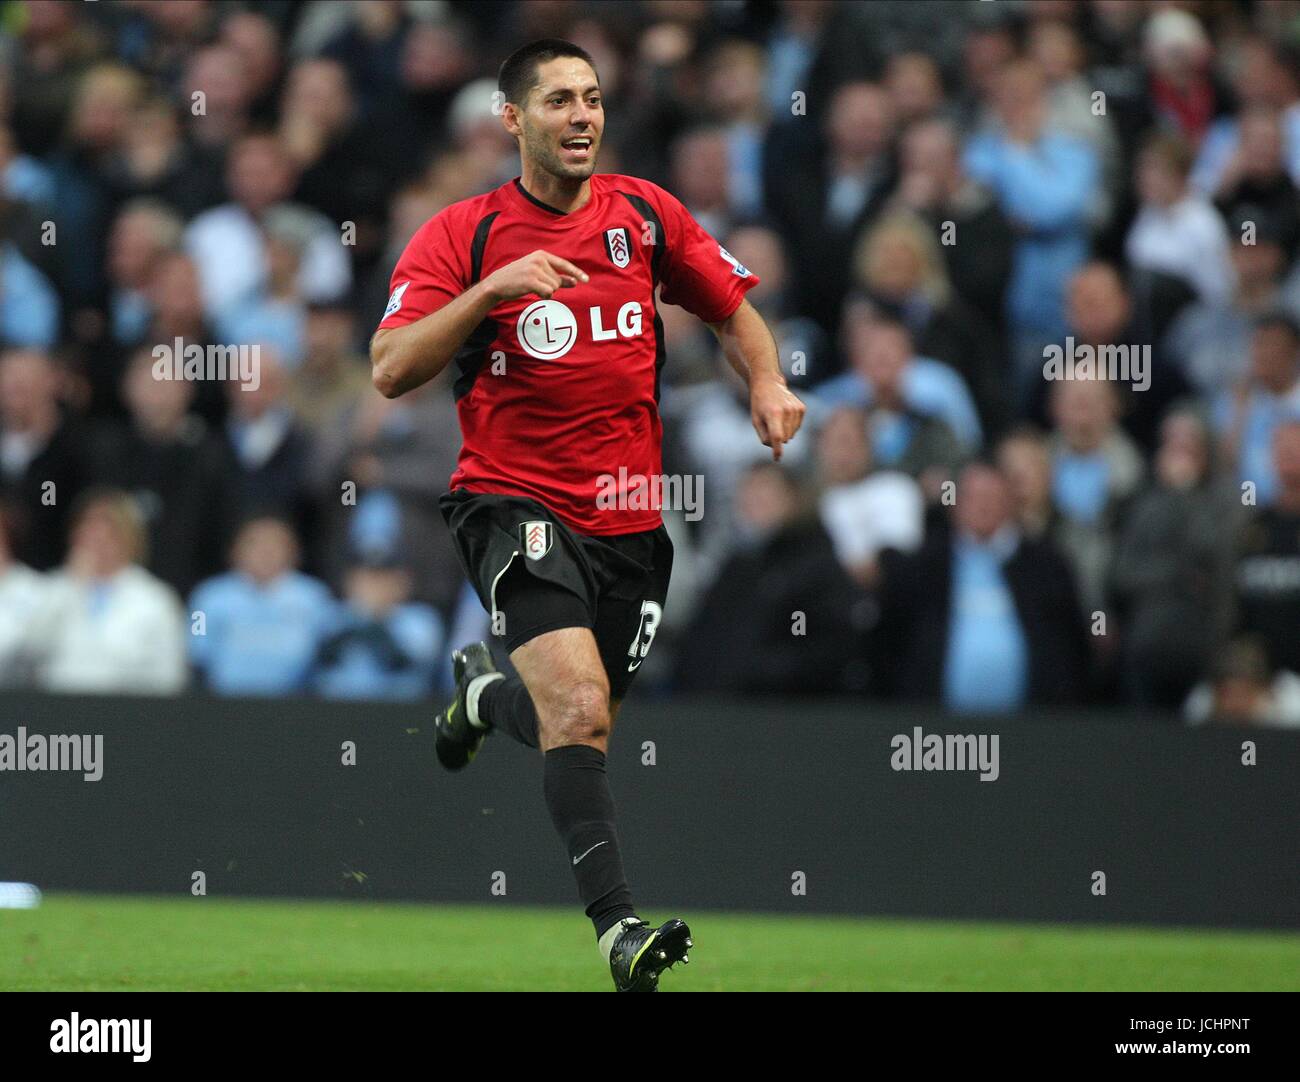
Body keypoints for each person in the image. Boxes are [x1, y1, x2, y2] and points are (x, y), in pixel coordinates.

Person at [369, 39, 805, 991]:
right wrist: (490, 292)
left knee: (583, 719)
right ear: (512, 118)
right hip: (510, 501)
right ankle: (619, 932)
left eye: (594, 100)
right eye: (559, 100)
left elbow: (732, 309)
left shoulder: (645, 214)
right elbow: (391, 366)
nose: (582, 117)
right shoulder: (466, 233)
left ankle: (483, 698)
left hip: (631, 525)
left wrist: (766, 380)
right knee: (577, 704)